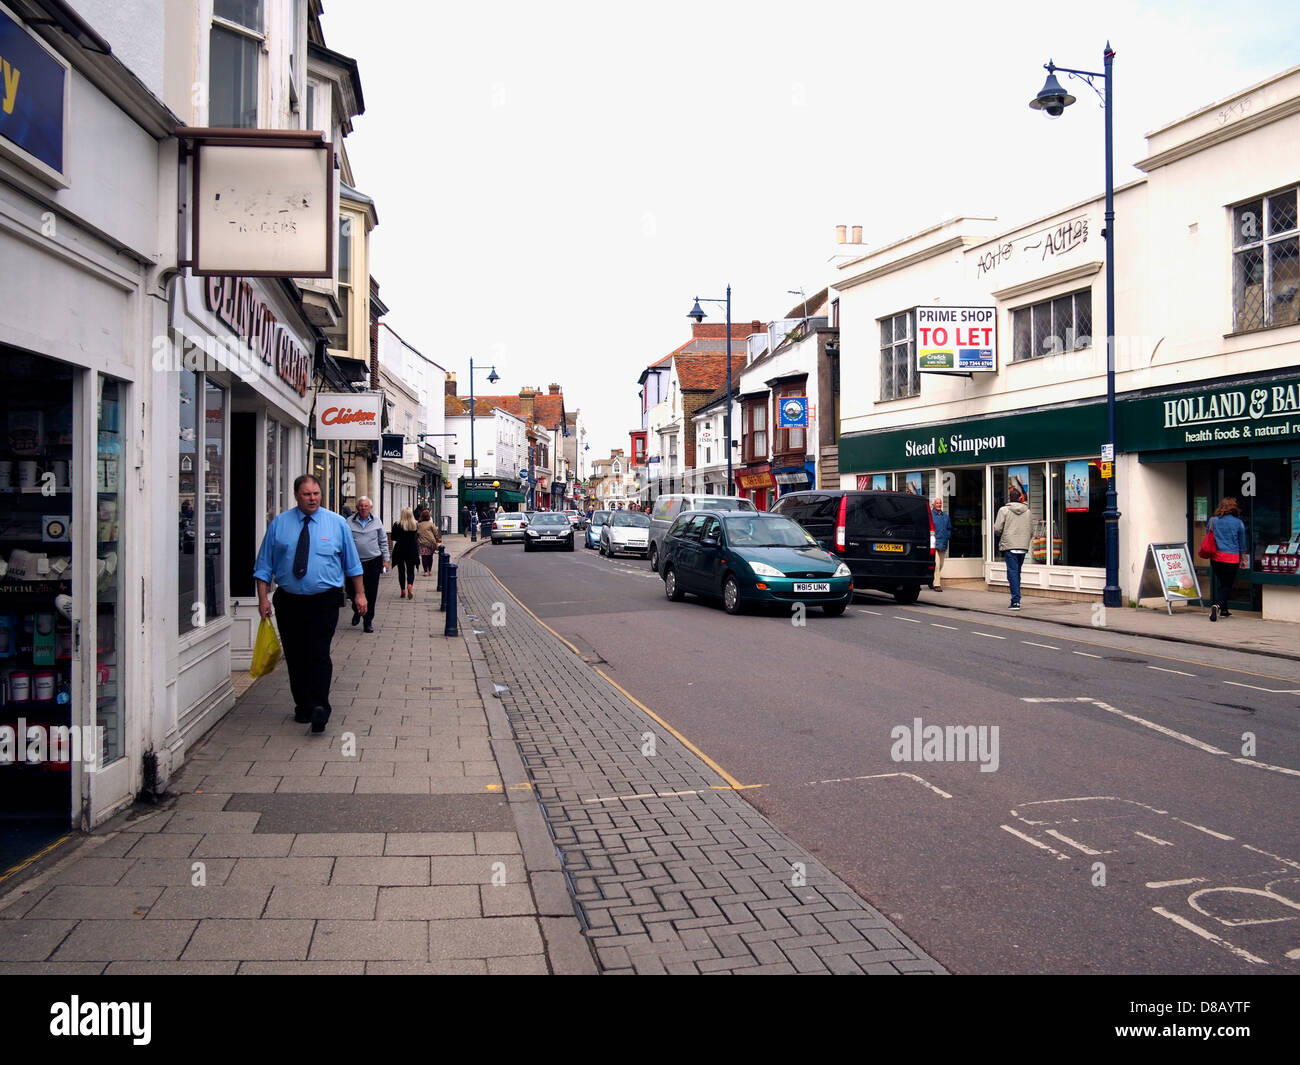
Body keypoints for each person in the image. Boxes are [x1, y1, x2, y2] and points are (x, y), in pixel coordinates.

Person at [254, 474, 364, 733]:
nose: (312, 498)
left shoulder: (337, 524)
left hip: (324, 600)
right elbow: (263, 566)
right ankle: (302, 706)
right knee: (295, 655)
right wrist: (262, 599)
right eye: (307, 494)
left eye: (316, 493)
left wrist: (360, 594)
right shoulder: (279, 525)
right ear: (296, 496)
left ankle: (320, 708)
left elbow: (352, 564)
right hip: (289, 601)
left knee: (318, 653)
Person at [347, 496, 389, 633]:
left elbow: (383, 541)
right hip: (354, 562)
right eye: (361, 506)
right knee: (351, 591)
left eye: (366, 506)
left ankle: (368, 621)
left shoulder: (377, 521)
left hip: (372, 561)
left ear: (370, 508)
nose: (363, 508)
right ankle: (357, 609)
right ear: (357, 508)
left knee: (371, 593)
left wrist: (386, 560)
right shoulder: (349, 522)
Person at [1207, 497, 1247, 622]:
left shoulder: (1213, 520)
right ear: (1234, 508)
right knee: (1227, 585)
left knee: (1223, 583)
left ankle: (1224, 610)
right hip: (1231, 558)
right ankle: (1217, 605)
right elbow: (1242, 543)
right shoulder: (1238, 522)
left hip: (1215, 557)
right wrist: (1243, 558)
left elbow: (1208, 534)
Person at [993, 487, 1032, 611]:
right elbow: (1031, 530)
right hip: (1023, 546)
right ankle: (1016, 598)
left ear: (1009, 498)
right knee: (1017, 573)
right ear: (1020, 498)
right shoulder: (1028, 511)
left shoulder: (1004, 510)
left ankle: (1015, 601)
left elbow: (997, 528)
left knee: (1012, 573)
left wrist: (1002, 535)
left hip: (1010, 545)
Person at [390, 506, 420, 600]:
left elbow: (393, 538)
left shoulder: (397, 524)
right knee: (410, 570)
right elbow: (417, 537)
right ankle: (410, 585)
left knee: (401, 570)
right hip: (411, 549)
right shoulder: (416, 524)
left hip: (400, 550)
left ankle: (403, 590)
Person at [931, 498, 952, 591]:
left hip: (943, 543)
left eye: (940, 503)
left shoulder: (946, 516)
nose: (939, 505)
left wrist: (947, 537)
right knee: (937, 564)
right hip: (934, 543)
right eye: (937, 503)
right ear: (933, 505)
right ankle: (937, 584)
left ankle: (931, 580)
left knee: (941, 564)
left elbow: (949, 528)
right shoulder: (930, 516)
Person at [416, 507, 441, 575]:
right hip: (431, 542)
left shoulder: (418, 525)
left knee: (424, 557)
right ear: (428, 517)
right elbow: (435, 533)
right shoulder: (431, 524)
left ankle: (425, 571)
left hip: (422, 543)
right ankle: (429, 570)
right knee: (430, 557)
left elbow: (417, 534)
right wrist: (437, 539)